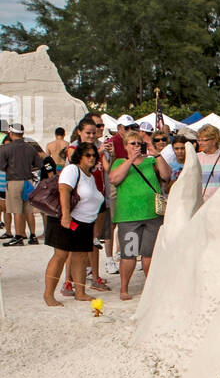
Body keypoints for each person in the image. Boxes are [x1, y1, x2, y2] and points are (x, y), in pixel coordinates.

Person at [110, 130, 171, 300]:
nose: (137, 146)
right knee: (129, 253)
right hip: (129, 216)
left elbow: (166, 175)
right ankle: (124, 288)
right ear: (125, 146)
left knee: (149, 253)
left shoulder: (151, 161)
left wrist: (156, 154)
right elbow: (114, 179)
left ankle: (150, 287)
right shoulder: (119, 162)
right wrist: (131, 159)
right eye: (133, 144)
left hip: (152, 213)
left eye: (139, 143)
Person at [43, 142, 104, 306]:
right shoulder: (72, 170)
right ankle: (49, 295)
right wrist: (66, 215)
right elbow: (64, 190)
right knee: (60, 256)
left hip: (85, 222)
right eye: (88, 155)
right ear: (79, 157)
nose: (92, 158)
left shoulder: (89, 175)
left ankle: (80, 292)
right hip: (68, 219)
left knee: (81, 257)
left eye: (94, 155)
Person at [0, 122, 45, 246]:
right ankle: (33, 236)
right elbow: (39, 164)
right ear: (22, 133)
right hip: (28, 181)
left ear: (10, 133)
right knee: (28, 210)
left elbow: (1, 166)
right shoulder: (30, 148)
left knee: (16, 211)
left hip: (14, 181)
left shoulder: (6, 148)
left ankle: (19, 236)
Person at [195, 124, 220, 199]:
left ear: (215, 140)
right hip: (201, 205)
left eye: (204, 140)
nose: (200, 143)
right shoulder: (195, 158)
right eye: (199, 140)